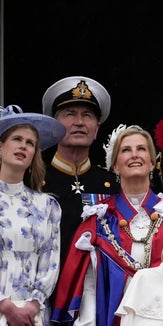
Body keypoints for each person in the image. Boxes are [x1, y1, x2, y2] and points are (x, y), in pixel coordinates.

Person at [52, 125, 163, 326]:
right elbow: (89, 285)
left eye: (141, 149)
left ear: (152, 162)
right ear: (115, 166)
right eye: (126, 150)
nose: (134, 154)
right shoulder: (99, 220)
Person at [0, 106, 65, 326]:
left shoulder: (47, 206)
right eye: (17, 139)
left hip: (33, 319)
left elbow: (51, 260)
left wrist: (33, 304)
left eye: (30, 143)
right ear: (1, 147)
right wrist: (5, 305)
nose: (23, 146)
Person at [40, 76, 114, 263]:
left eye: (87, 115)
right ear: (54, 126)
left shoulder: (112, 184)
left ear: (96, 129)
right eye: (70, 114)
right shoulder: (34, 180)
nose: (79, 122)